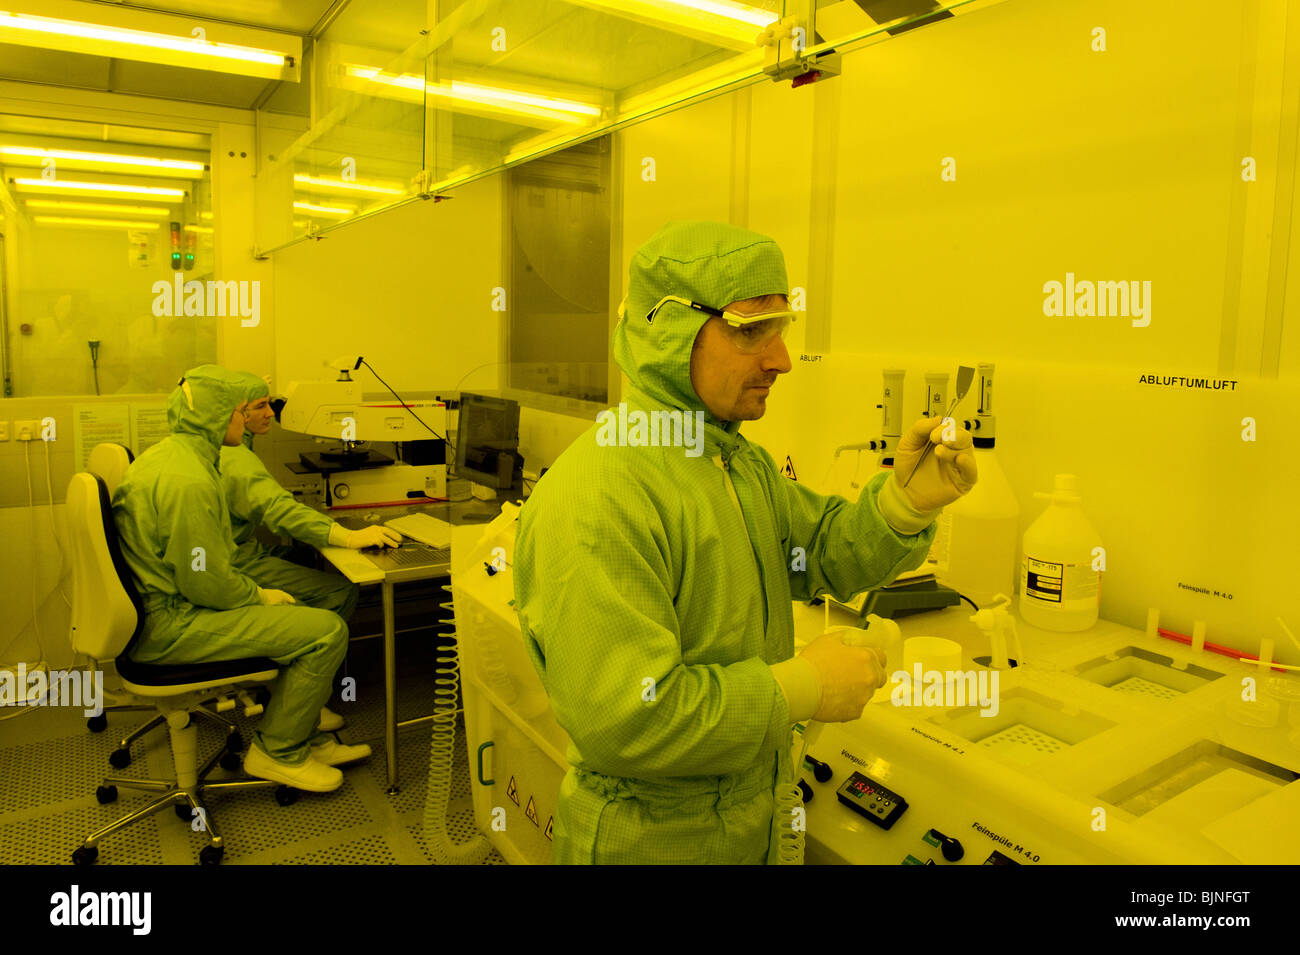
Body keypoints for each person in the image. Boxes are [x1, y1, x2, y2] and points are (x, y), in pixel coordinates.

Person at [513, 221, 977, 864]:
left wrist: (904, 503)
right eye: (750, 330)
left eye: (781, 329)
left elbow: (823, 549)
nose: (781, 359)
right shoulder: (600, 494)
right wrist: (802, 688)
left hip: (747, 819)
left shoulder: (731, 461)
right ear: (668, 329)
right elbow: (630, 719)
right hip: (651, 841)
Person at [112, 365, 370, 792]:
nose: (263, 413)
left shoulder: (175, 455)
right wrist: (260, 596)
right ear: (225, 416)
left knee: (306, 614)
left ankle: (303, 735)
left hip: (166, 606)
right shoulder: (188, 481)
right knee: (325, 630)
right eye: (250, 408)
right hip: (173, 624)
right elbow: (205, 582)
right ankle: (277, 752)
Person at [221, 371, 400, 733]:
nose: (271, 413)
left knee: (305, 559)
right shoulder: (235, 457)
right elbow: (277, 510)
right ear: (235, 413)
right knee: (339, 589)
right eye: (261, 406)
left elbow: (267, 502)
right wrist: (347, 536)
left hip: (235, 552)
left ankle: (290, 676)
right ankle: (301, 695)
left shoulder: (230, 446)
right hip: (235, 563)